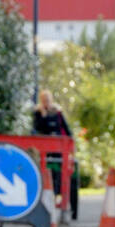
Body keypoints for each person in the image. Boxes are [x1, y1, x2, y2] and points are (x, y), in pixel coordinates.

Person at [32, 89, 78, 219]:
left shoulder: (57, 112)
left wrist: (71, 143)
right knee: (45, 170)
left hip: (58, 146)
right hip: (44, 148)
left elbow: (65, 128)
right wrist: (43, 115)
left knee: (59, 171)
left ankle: (59, 195)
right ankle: (45, 197)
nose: (46, 102)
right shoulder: (38, 113)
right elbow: (37, 128)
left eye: (48, 100)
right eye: (44, 100)